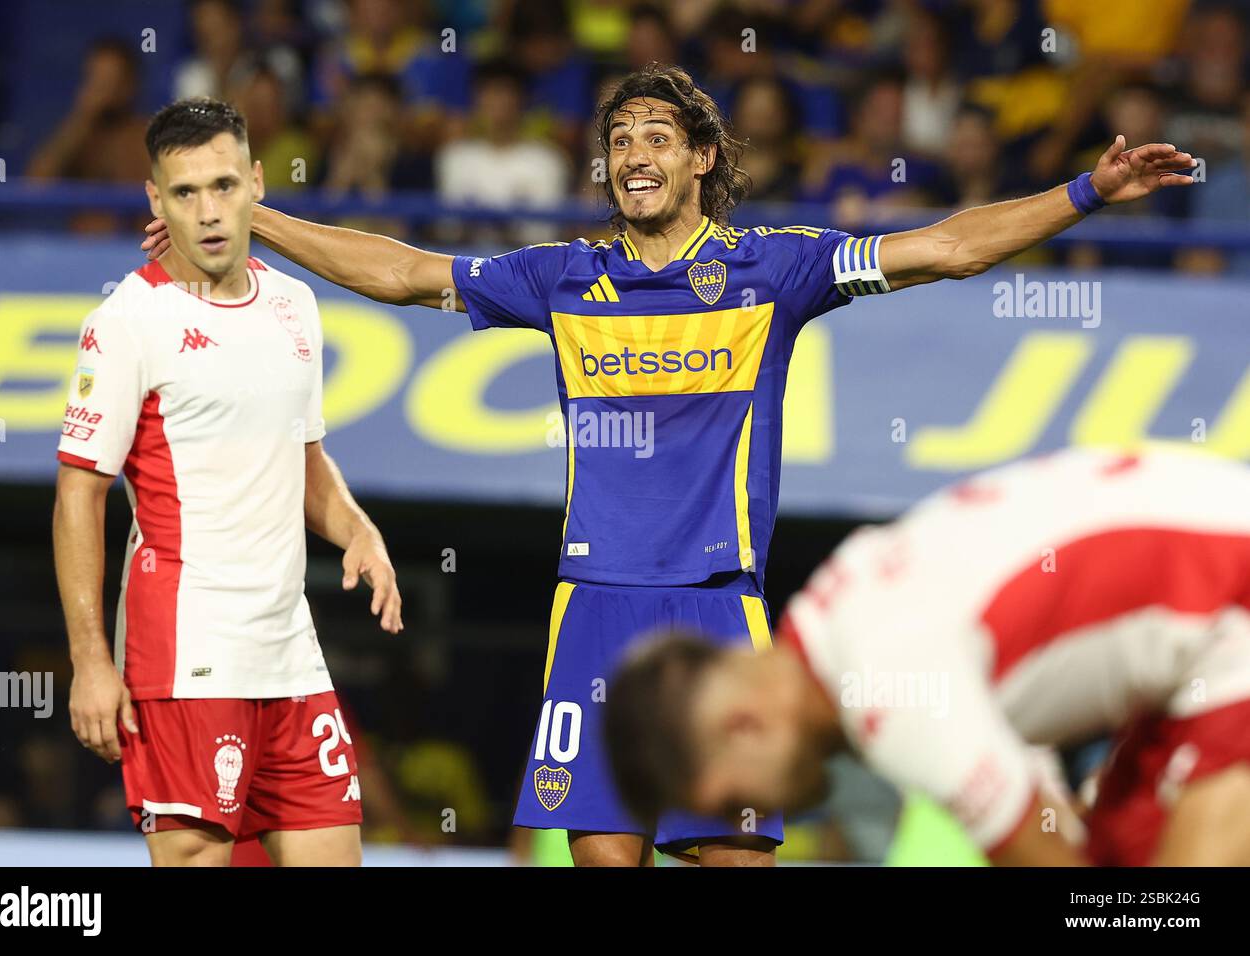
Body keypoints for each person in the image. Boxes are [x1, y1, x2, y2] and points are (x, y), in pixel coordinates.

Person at [141, 62, 1193, 866]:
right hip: (591, 605)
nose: (632, 150)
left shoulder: (774, 268)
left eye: (656, 133)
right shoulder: (561, 276)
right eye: (617, 137)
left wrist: (1082, 193)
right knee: (601, 856)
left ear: (699, 159)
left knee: (731, 853)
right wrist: (253, 216)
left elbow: (949, 245)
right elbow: (411, 273)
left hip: (713, 611)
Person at [605, 447, 1250, 866]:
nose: (747, 828)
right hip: (1204, 635)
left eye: (728, 806)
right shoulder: (830, 614)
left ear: (741, 726)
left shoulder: (885, 687)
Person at [54, 98, 402, 867]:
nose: (207, 212)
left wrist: (357, 527)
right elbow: (79, 493)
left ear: (255, 181)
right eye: (184, 193)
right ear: (154, 199)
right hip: (186, 657)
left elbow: (306, 458)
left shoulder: (294, 304)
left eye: (221, 186)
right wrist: (88, 659)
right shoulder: (127, 322)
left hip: (291, 654)